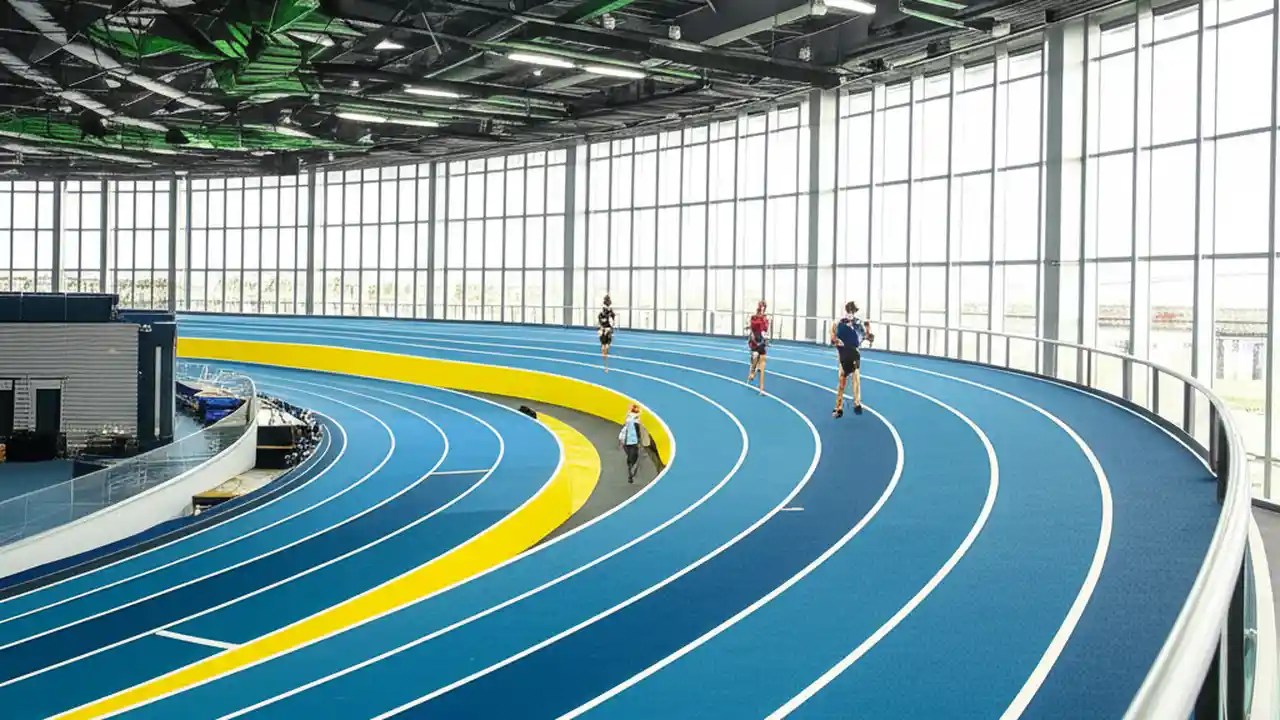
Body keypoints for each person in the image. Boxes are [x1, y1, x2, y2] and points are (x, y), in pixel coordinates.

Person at [830, 301, 874, 418]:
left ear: (854, 312)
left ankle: (857, 403)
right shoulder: (839, 323)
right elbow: (833, 337)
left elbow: (865, 335)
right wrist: (835, 340)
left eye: (852, 311)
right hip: (843, 354)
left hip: (854, 354)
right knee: (842, 382)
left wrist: (869, 334)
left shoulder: (858, 324)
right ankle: (839, 407)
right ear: (846, 311)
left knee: (856, 379)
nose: (850, 313)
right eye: (849, 311)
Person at [746, 300, 769, 395]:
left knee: (763, 366)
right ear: (759, 307)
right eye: (761, 307)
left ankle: (761, 389)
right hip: (755, 343)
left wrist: (766, 340)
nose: (762, 309)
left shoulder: (766, 319)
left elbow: (765, 331)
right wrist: (753, 338)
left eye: (764, 307)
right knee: (755, 357)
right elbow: (752, 330)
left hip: (762, 343)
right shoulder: (754, 318)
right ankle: (752, 372)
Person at [618, 403, 645, 483]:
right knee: (633, 456)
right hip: (632, 442)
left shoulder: (630, 419)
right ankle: (631, 469)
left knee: (630, 457)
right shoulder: (636, 420)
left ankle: (631, 469)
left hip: (628, 441)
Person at [598, 295, 616, 372]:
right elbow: (599, 323)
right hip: (603, 331)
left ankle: (606, 364)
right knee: (603, 348)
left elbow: (613, 322)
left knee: (606, 348)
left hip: (608, 331)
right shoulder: (600, 315)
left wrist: (609, 329)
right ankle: (605, 366)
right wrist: (601, 329)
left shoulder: (611, 313)